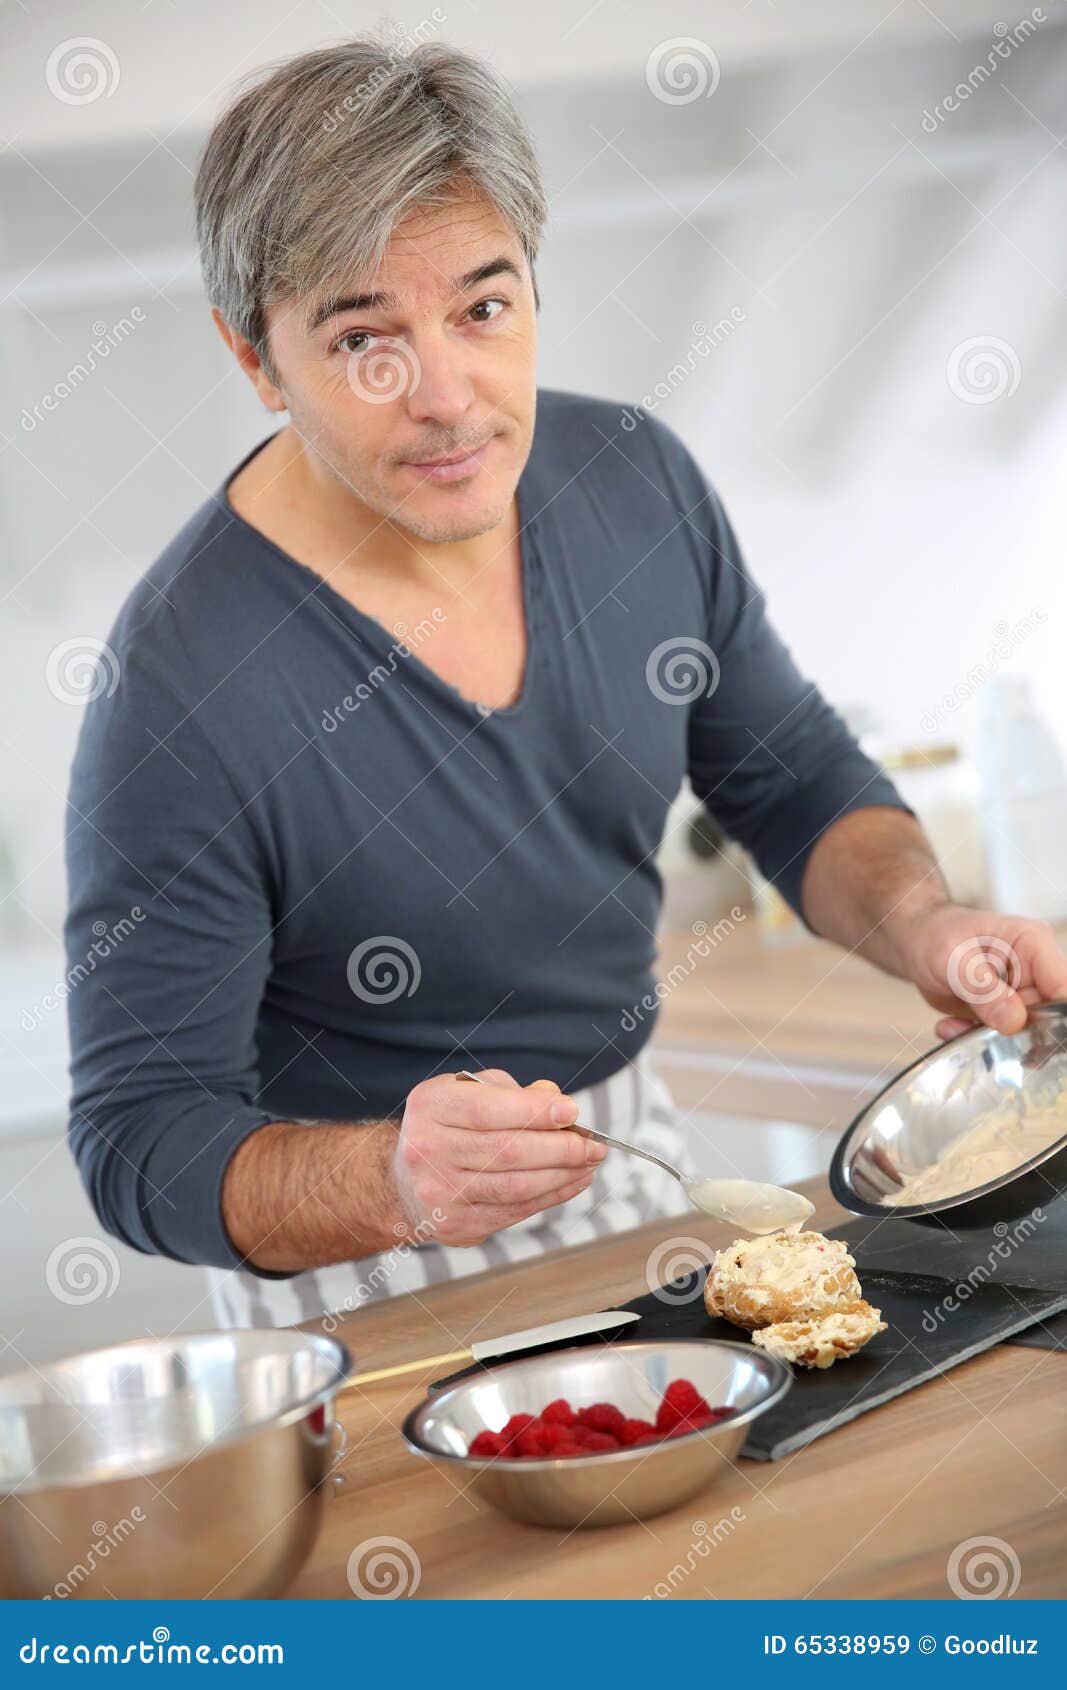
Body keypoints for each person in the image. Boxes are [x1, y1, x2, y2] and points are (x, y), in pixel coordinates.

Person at [64, 39, 1067, 1329]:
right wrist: (395, 1179)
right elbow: (140, 1137)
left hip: (633, 1168)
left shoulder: (635, 482)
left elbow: (796, 783)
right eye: (363, 339)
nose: (446, 398)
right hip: (364, 1265)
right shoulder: (179, 687)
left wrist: (926, 924)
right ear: (257, 359)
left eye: (483, 310)